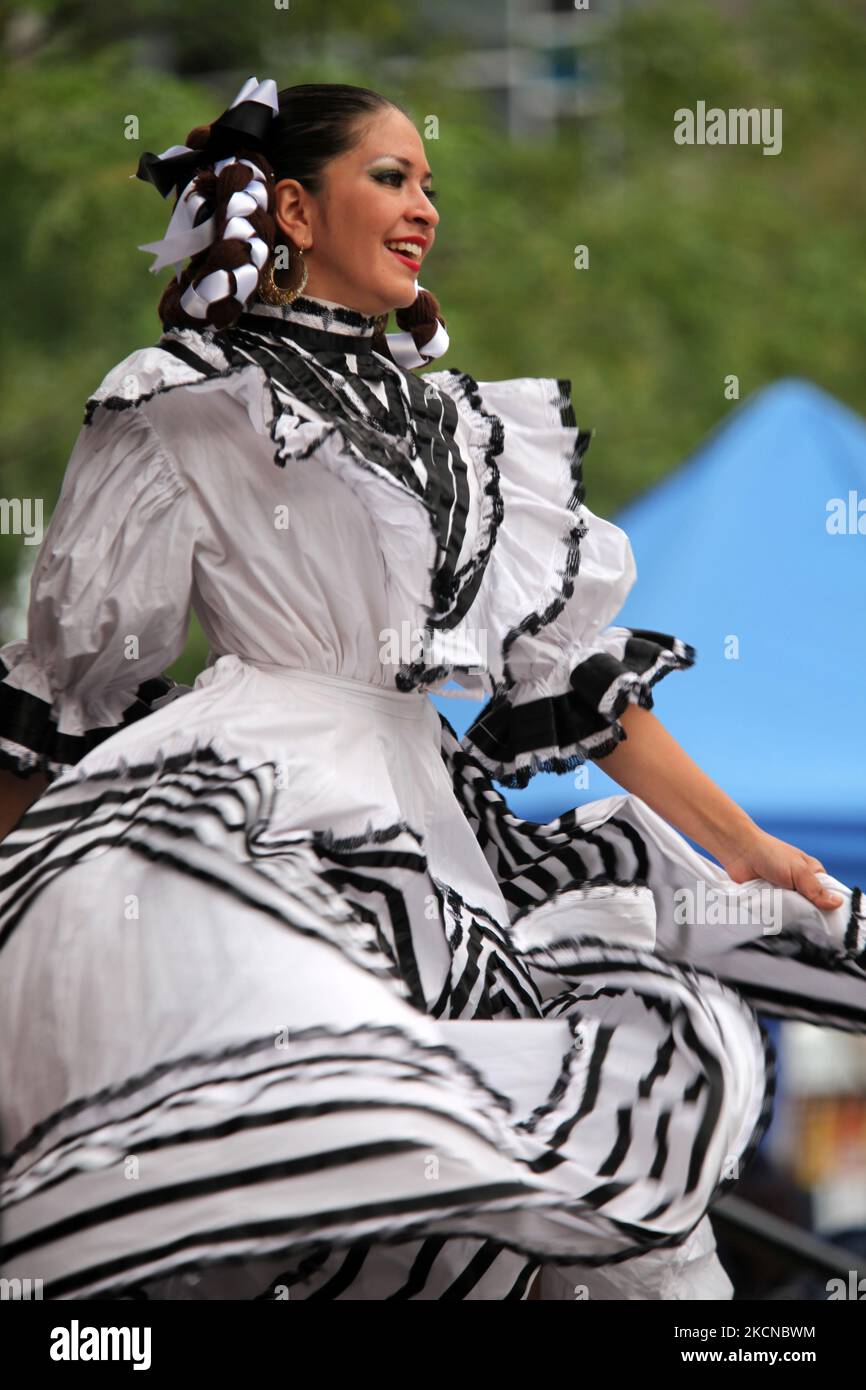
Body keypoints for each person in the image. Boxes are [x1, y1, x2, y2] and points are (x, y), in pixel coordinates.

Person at [0, 76, 862, 1303]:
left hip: (433, 813)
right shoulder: (179, 397)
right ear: (292, 209)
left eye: (429, 183)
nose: (424, 209)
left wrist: (743, 845)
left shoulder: (460, 425)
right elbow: (69, 692)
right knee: (299, 1174)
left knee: (602, 1235)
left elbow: (568, 678)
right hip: (266, 803)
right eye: (391, 179)